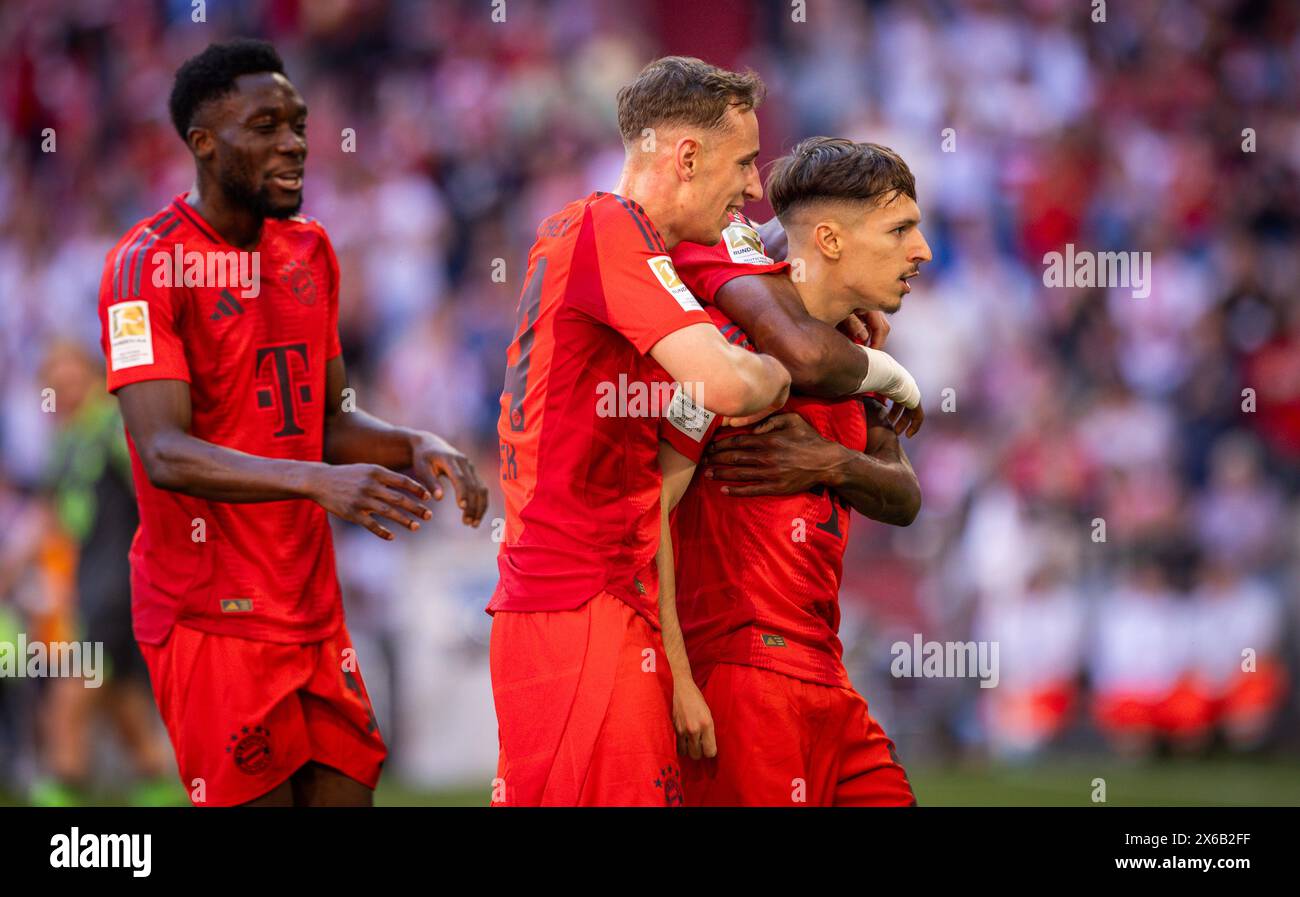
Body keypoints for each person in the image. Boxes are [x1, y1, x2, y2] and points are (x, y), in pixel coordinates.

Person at [96, 38, 487, 807]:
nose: (295, 143)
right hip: (213, 615)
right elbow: (163, 449)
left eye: (299, 123)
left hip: (311, 609)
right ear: (204, 144)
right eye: (267, 124)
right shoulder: (145, 266)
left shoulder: (310, 249)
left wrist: (414, 442)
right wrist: (317, 483)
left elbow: (328, 416)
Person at [487, 56, 794, 807]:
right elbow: (726, 383)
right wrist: (785, 368)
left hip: (593, 597)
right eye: (746, 162)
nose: (754, 187)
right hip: (573, 601)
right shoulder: (607, 229)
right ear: (687, 157)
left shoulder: (611, 240)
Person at [656, 138, 930, 804]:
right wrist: (677, 675)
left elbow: (903, 496)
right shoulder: (728, 355)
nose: (921, 250)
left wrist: (830, 460)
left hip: (828, 673)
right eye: (900, 230)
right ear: (831, 240)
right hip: (742, 675)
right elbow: (650, 507)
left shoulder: (850, 360)